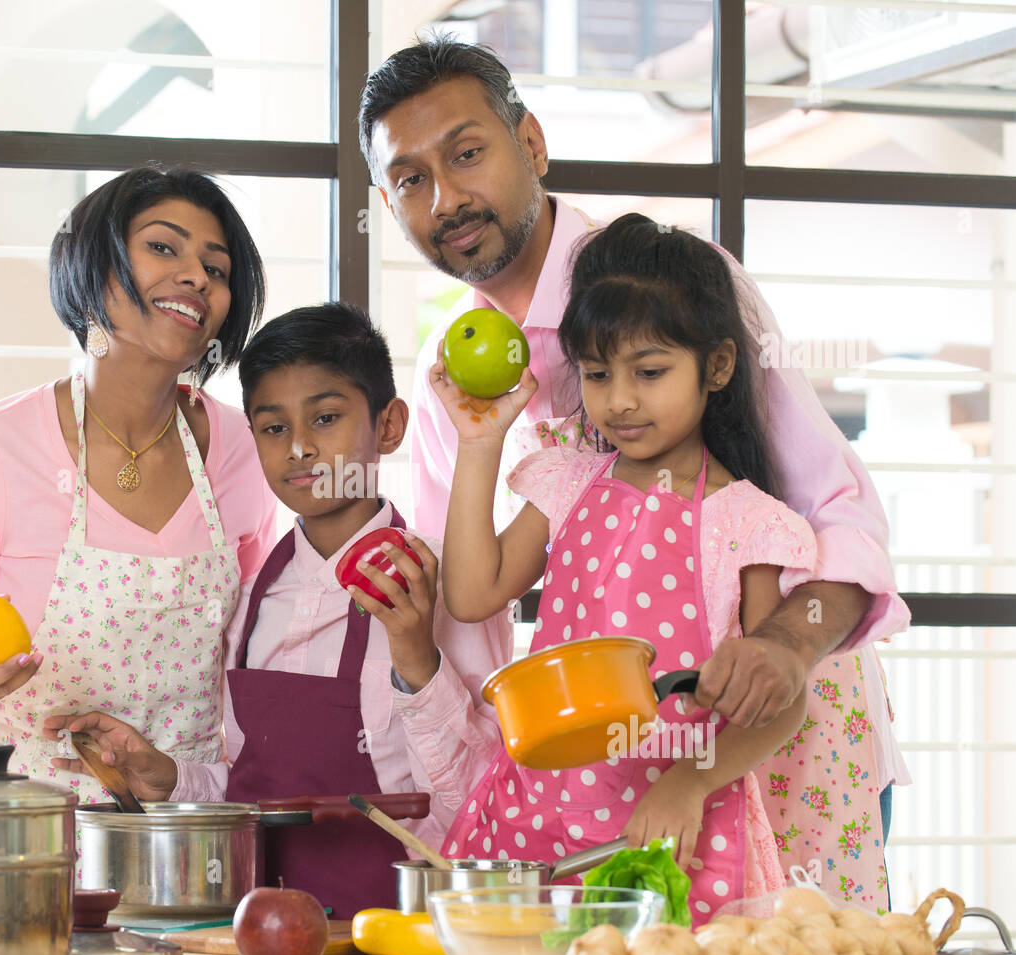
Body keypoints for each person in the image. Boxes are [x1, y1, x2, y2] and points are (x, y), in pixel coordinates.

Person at [358, 36, 909, 909]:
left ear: (529, 144)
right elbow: (474, 616)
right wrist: (470, 800)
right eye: (411, 180)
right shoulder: (448, 377)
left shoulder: (675, 284)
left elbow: (836, 508)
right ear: (388, 204)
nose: (447, 198)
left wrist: (784, 648)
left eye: (467, 154)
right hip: (588, 793)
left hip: (773, 751)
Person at [45, 302, 509, 918]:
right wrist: (165, 776)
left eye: (326, 417)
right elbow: (250, 789)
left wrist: (418, 664)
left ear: (389, 425)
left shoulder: (452, 581)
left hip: (400, 932)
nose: (299, 448)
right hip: (258, 929)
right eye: (272, 427)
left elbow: (488, 797)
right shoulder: (253, 598)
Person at [435, 214, 813, 924]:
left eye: (650, 371)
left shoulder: (748, 521)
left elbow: (783, 700)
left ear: (718, 367)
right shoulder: (568, 484)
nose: (620, 400)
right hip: (540, 812)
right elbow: (470, 591)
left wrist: (690, 783)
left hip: (673, 834)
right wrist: (478, 444)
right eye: (599, 374)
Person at [0, 166, 278, 793]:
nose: (196, 277)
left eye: (217, 268)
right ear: (93, 267)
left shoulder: (245, 449)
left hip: (177, 836)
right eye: (162, 247)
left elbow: (257, 666)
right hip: (19, 838)